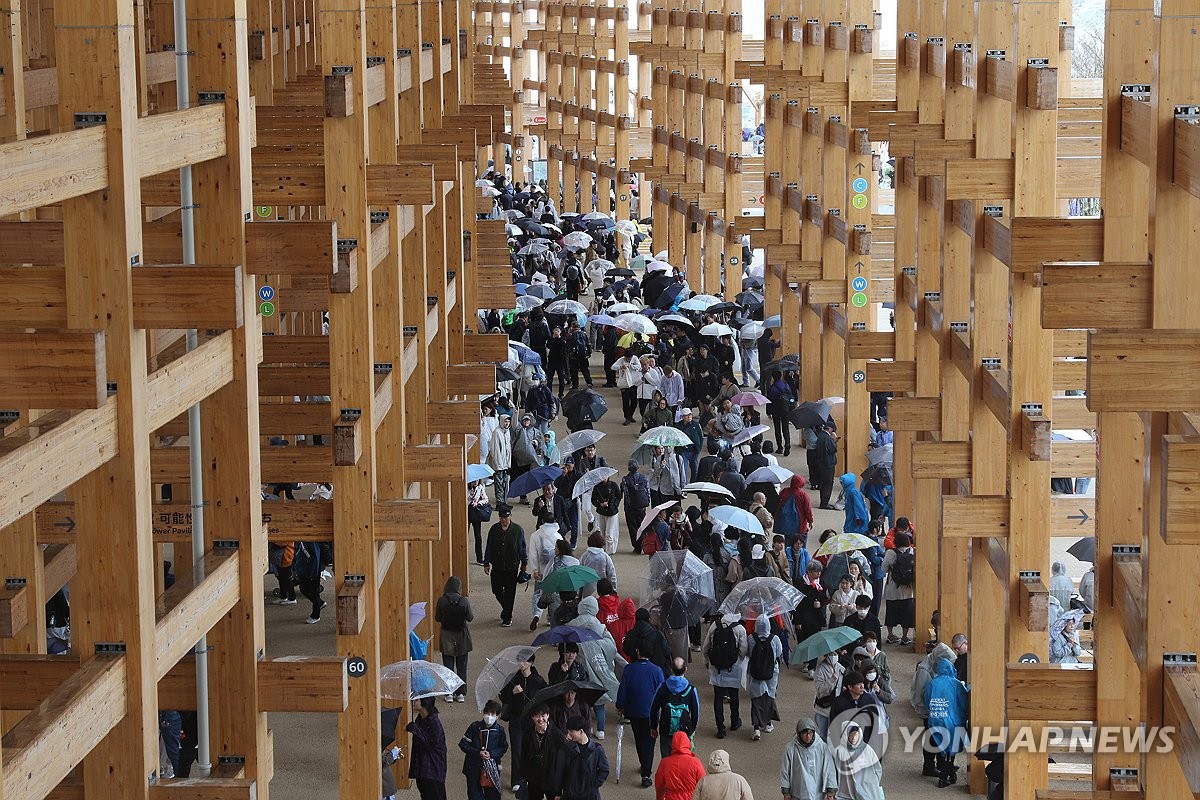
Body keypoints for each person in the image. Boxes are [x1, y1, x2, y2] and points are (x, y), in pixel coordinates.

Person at [568, 595, 627, 740]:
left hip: (581, 668)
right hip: (597, 665)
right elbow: (610, 647)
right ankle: (601, 730)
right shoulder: (600, 626)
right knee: (599, 701)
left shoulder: (572, 624)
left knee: (583, 701)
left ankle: (586, 727)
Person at [617, 644, 667, 787]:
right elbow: (662, 692)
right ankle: (646, 772)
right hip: (651, 713)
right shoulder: (657, 671)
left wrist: (620, 705)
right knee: (649, 743)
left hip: (633, 711)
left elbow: (623, 690)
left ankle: (644, 764)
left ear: (637, 652)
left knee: (639, 739)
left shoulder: (629, 669)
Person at [911, 642, 958, 778]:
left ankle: (940, 764)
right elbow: (921, 692)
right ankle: (929, 766)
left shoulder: (933, 664)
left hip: (935, 709)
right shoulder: (925, 670)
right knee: (931, 739)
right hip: (927, 711)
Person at [502, 655, 548, 791]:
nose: (522, 663)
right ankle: (516, 779)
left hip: (532, 721)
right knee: (517, 750)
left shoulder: (538, 680)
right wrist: (512, 691)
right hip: (516, 719)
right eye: (520, 660)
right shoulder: (512, 679)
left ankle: (530, 777)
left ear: (531, 663)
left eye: (525, 661)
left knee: (533, 749)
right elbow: (503, 697)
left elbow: (545, 698)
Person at [924, 656, 970, 787]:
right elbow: (964, 703)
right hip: (954, 722)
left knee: (942, 749)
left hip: (935, 721)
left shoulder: (932, 683)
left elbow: (927, 701)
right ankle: (945, 776)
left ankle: (948, 774)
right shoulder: (955, 684)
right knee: (952, 750)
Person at [702, 613, 748, 739]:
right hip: (733, 667)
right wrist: (737, 660)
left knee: (718, 697)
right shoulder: (739, 628)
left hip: (717, 668)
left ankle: (720, 727)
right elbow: (744, 650)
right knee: (734, 695)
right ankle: (734, 721)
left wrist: (707, 660)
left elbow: (706, 646)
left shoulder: (714, 626)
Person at [484, 505, 528, 627]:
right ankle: (506, 607)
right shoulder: (494, 529)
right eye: (501, 517)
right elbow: (489, 546)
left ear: (510, 516)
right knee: (496, 590)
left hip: (511, 567)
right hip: (497, 566)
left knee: (510, 592)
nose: (504, 520)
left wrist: (524, 564)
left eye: (506, 517)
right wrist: (486, 562)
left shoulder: (517, 530)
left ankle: (507, 616)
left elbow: (522, 548)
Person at [650, 657, 700, 756]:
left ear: (671, 669)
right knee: (683, 756)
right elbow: (695, 712)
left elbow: (654, 708)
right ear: (685, 669)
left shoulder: (663, 687)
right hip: (684, 729)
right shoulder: (690, 690)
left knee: (666, 757)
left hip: (666, 727)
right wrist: (692, 729)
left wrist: (653, 727)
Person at [460, 700, 509, 800]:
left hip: (492, 768)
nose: (489, 716)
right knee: (474, 795)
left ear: (497, 716)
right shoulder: (474, 727)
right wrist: (478, 753)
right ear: (483, 713)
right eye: (487, 713)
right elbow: (463, 744)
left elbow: (503, 747)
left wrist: (491, 754)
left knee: (493, 795)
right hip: (473, 767)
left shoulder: (500, 731)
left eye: (492, 714)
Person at [434, 576, 473, 702]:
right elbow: (470, 618)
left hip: (446, 636)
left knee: (448, 666)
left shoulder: (441, 600)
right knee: (462, 665)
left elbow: (437, 618)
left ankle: (449, 693)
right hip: (462, 637)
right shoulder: (464, 601)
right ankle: (460, 693)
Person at [779, 718, 837, 800]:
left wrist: (831, 789)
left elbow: (830, 769)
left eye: (810, 733)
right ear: (799, 734)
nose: (808, 736)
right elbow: (785, 771)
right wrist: (786, 791)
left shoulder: (822, 748)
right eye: (805, 733)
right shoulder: (790, 749)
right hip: (797, 793)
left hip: (818, 794)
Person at [556, 716, 610, 800]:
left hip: (590, 794)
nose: (568, 735)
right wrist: (558, 792)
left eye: (571, 732)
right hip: (570, 794)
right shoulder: (566, 748)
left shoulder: (597, 749)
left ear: (581, 731)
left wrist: (593, 783)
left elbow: (604, 769)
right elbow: (560, 771)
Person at [747, 613, 783, 741]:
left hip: (755, 672)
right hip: (771, 672)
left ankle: (756, 727)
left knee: (756, 699)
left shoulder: (751, 638)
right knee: (769, 696)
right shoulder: (775, 639)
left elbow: (748, 653)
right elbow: (779, 653)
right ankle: (768, 724)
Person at [406, 697, 448, 800]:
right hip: (422, 769)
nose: (414, 702)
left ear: (425, 702)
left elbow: (431, 745)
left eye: (417, 700)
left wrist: (415, 729)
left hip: (433, 771)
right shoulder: (420, 719)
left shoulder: (435, 723)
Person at [528, 510, 564, 629]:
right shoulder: (558, 536)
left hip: (541, 571)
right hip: (554, 572)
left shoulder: (535, 536)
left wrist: (535, 570)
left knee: (538, 594)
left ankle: (537, 614)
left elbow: (532, 555)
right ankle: (550, 618)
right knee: (552, 596)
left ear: (542, 521)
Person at [830, 722, 884, 800]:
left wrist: (872, 784)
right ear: (845, 735)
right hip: (846, 792)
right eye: (851, 735)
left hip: (868, 791)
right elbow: (834, 771)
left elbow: (877, 768)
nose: (854, 738)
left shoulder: (867, 749)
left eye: (856, 734)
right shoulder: (840, 751)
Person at [521, 704, 564, 800]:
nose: (540, 719)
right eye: (537, 716)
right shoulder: (528, 733)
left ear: (548, 715)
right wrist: (523, 774)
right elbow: (524, 754)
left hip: (551, 778)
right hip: (534, 778)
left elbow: (561, 760)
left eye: (543, 715)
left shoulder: (557, 735)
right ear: (532, 717)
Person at [881, 532, 916, 645]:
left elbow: (884, 569)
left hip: (893, 589)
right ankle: (905, 637)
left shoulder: (891, 553)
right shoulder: (912, 551)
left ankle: (890, 635)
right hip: (908, 589)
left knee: (891, 613)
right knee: (906, 614)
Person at [655, 731, 706, 800]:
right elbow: (703, 784)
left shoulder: (665, 762)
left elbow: (659, 785)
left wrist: (659, 798)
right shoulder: (695, 762)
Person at [625, 607, 673, 674]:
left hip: (637, 671)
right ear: (648, 619)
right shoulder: (658, 634)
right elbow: (667, 651)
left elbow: (626, 651)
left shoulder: (630, 634)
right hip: (657, 671)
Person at [812, 650, 845, 740]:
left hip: (836, 707)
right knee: (823, 734)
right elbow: (820, 689)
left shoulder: (840, 668)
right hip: (823, 709)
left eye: (835, 654)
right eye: (831, 654)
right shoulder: (820, 669)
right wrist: (831, 680)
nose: (834, 656)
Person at [622, 459, 652, 553]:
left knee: (632, 528)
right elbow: (648, 491)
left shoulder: (625, 479)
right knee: (642, 526)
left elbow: (626, 494)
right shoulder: (644, 478)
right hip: (642, 507)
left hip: (630, 508)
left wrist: (629, 505)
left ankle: (637, 547)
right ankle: (643, 544)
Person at [775, 476, 814, 547]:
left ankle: (789, 557)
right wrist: (810, 521)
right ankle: (801, 557)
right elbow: (807, 509)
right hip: (800, 523)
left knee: (788, 542)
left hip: (786, 523)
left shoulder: (785, 491)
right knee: (801, 542)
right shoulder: (803, 495)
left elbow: (777, 503)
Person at [590, 471, 623, 554]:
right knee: (602, 532)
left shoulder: (613, 485)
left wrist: (614, 505)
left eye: (605, 476)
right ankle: (604, 548)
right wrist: (600, 504)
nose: (603, 478)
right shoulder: (597, 487)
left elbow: (618, 497)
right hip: (601, 512)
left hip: (612, 512)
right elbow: (593, 500)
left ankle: (610, 551)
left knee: (609, 534)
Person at [580, 532, 618, 596]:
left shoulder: (585, 556)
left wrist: (579, 592)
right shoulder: (605, 556)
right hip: (603, 591)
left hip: (587, 590)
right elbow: (611, 574)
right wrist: (613, 589)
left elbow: (580, 573)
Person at [488, 414, 513, 506]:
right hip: (499, 464)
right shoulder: (496, 432)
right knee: (499, 483)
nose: (507, 423)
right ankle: (499, 502)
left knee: (505, 483)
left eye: (508, 421)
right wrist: (498, 464)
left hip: (505, 463)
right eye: (505, 421)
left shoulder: (507, 432)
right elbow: (495, 450)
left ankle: (504, 501)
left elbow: (508, 448)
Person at [812, 427, 839, 509]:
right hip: (828, 464)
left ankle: (823, 502)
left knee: (823, 483)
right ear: (830, 429)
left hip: (821, 463)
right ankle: (824, 503)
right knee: (828, 483)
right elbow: (833, 449)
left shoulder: (820, 435)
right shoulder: (827, 438)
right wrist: (834, 440)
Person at [617, 349, 645, 425]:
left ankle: (630, 415)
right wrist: (621, 367)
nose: (628, 359)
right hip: (625, 384)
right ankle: (627, 417)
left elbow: (638, 366)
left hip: (634, 383)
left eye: (630, 358)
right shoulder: (622, 360)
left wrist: (630, 366)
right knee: (625, 402)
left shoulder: (635, 358)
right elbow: (613, 367)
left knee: (634, 402)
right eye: (627, 358)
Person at [676, 407, 705, 481]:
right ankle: (684, 486)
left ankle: (693, 484)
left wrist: (699, 448)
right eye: (686, 415)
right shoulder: (678, 426)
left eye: (690, 415)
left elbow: (700, 437)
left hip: (694, 451)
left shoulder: (696, 425)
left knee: (695, 469)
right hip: (683, 451)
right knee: (683, 470)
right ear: (683, 417)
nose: (689, 417)